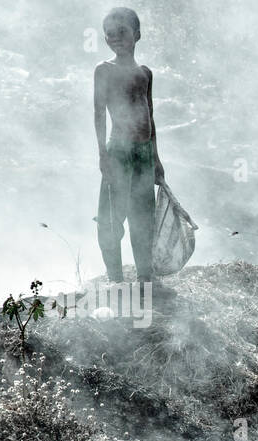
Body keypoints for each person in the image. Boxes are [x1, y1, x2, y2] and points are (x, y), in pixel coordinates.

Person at [93, 7, 164, 288]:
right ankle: (116, 279)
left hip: (144, 153)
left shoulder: (145, 73)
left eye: (121, 32)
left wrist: (156, 158)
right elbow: (99, 113)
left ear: (137, 35)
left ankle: (146, 277)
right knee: (111, 216)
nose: (115, 38)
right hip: (118, 151)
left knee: (143, 215)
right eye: (109, 34)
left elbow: (150, 114)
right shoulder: (104, 70)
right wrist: (102, 154)